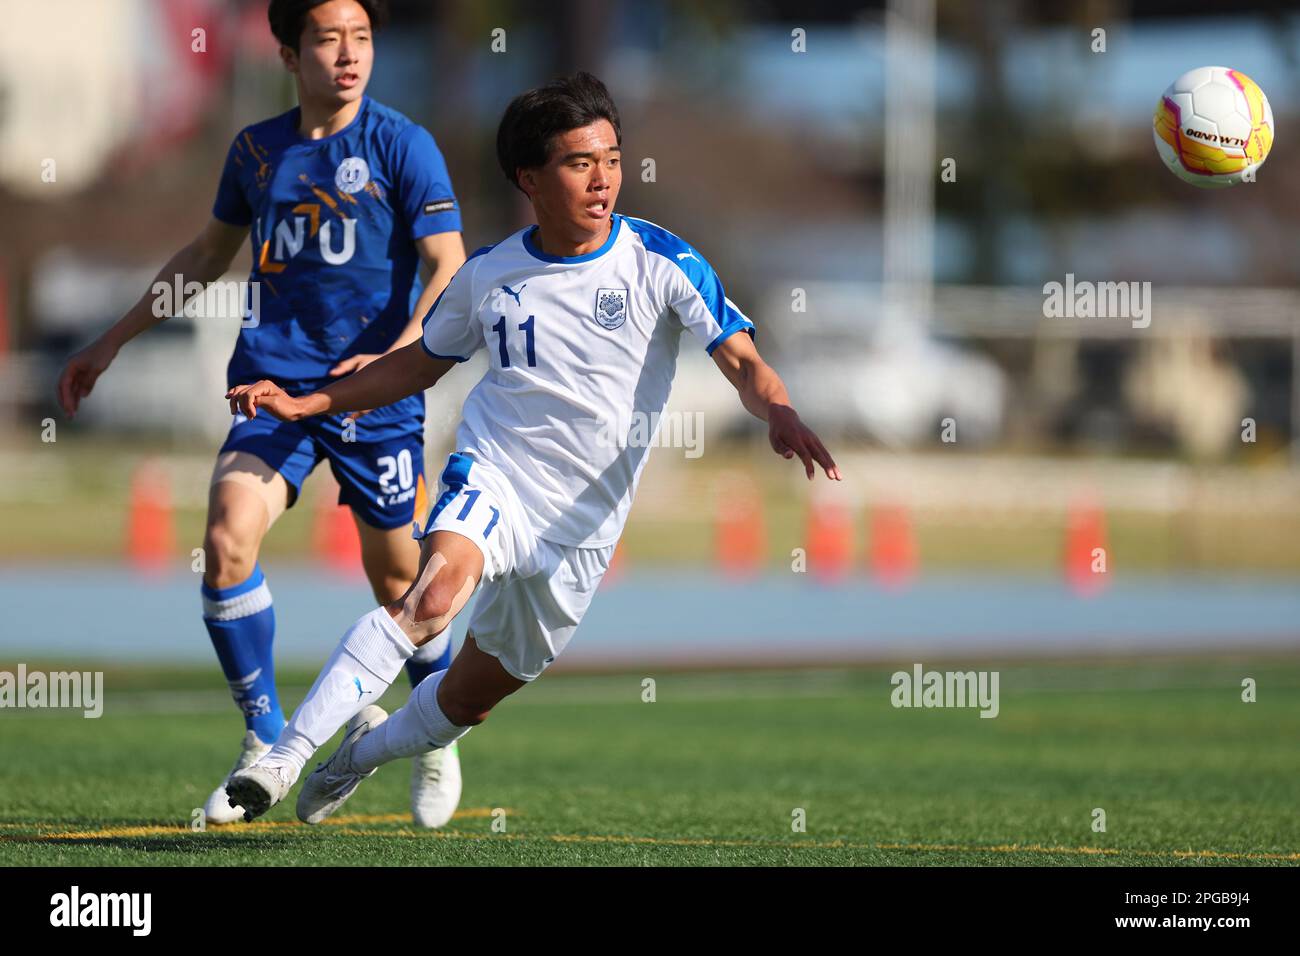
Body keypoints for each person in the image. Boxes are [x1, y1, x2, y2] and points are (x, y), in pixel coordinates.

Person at [223, 71, 840, 824]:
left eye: (612, 158)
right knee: (433, 597)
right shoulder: (490, 274)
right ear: (530, 178)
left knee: (465, 702)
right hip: (497, 477)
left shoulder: (662, 260)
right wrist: (310, 399)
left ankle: (355, 758)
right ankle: (284, 758)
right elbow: (417, 364)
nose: (604, 178)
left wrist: (778, 408)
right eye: (581, 162)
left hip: (581, 532)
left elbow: (742, 360)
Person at [55, 0, 469, 827]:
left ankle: (432, 737)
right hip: (271, 388)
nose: (349, 55)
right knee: (223, 538)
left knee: (404, 585)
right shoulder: (256, 149)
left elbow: (448, 264)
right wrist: (115, 338)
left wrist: (400, 354)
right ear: (288, 52)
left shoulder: (403, 144)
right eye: (328, 39)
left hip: (372, 397)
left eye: (362, 38)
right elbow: (207, 256)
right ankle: (265, 738)